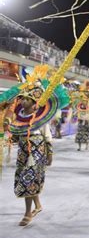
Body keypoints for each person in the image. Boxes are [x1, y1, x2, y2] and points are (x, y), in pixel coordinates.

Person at [1, 65, 69, 226]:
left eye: (26, 99)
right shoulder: (19, 116)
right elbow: (15, 133)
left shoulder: (41, 117)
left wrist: (50, 154)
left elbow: (47, 135)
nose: (22, 101)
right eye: (22, 98)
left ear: (34, 104)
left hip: (37, 149)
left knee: (28, 178)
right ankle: (37, 205)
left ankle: (27, 213)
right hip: (24, 149)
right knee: (27, 179)